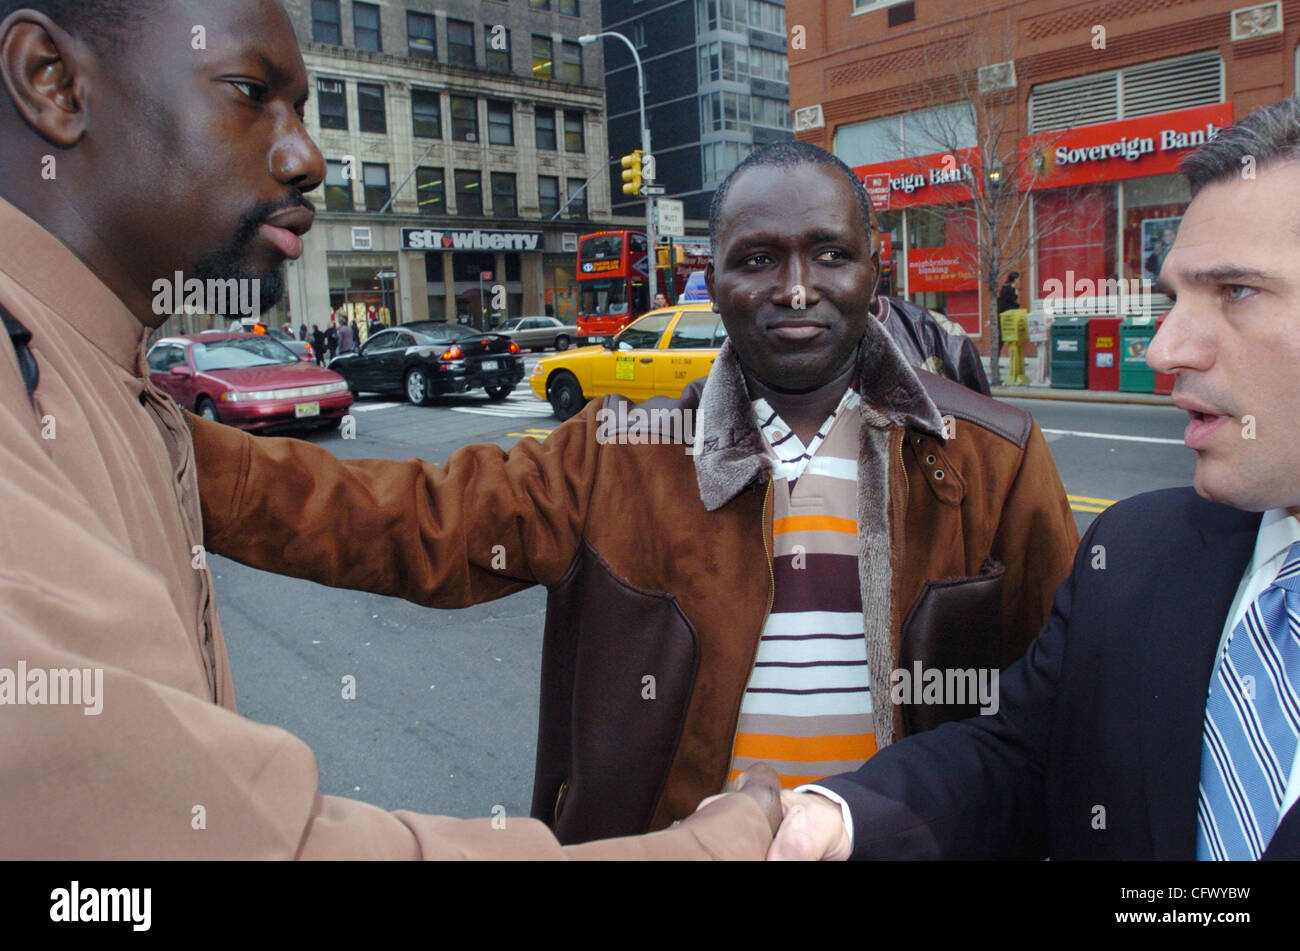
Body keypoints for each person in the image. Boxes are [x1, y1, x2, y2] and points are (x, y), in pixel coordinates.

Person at [0, 0, 782, 860]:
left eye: (831, 252)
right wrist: (705, 850)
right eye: (249, 91)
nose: (307, 156)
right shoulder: (627, 453)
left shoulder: (952, 448)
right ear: (51, 80)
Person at [189, 140, 1080, 844]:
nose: (796, 288)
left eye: (829, 255)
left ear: (872, 270)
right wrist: (174, 457)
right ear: (714, 277)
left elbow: (1061, 714)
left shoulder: (993, 461)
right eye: (759, 258)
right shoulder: (618, 456)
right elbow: (409, 520)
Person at [767, 97, 1300, 861]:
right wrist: (839, 817)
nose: (1166, 348)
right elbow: (1020, 755)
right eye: (1173, 297)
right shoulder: (1139, 552)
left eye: (1235, 291)